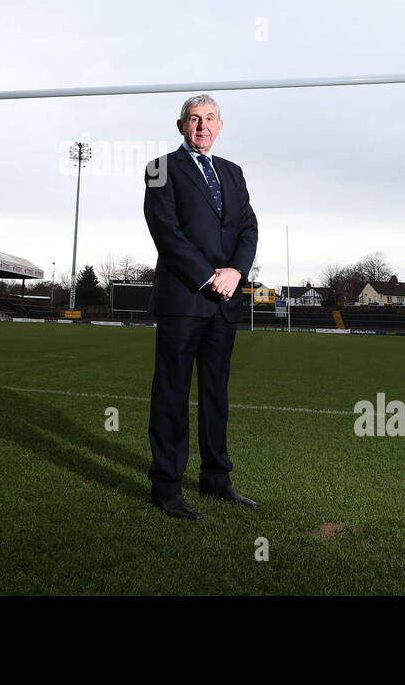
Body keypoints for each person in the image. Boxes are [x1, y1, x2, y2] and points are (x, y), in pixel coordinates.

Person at [142, 94, 259, 520]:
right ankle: (167, 486)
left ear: (221, 126)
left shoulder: (234, 172)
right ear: (181, 126)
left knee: (215, 393)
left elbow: (247, 226)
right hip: (184, 298)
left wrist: (235, 273)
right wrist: (209, 276)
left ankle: (216, 477)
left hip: (225, 301)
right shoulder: (159, 169)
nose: (202, 126)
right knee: (172, 393)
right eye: (194, 119)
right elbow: (166, 232)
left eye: (210, 119)